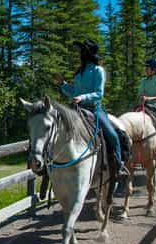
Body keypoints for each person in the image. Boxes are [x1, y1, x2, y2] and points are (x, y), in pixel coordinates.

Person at [53, 39, 130, 178]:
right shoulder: (79, 72)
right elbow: (74, 92)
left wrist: (83, 97)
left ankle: (119, 165)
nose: (80, 54)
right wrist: (63, 84)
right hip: (77, 109)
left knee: (112, 135)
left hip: (94, 109)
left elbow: (99, 93)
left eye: (83, 51)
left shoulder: (98, 70)